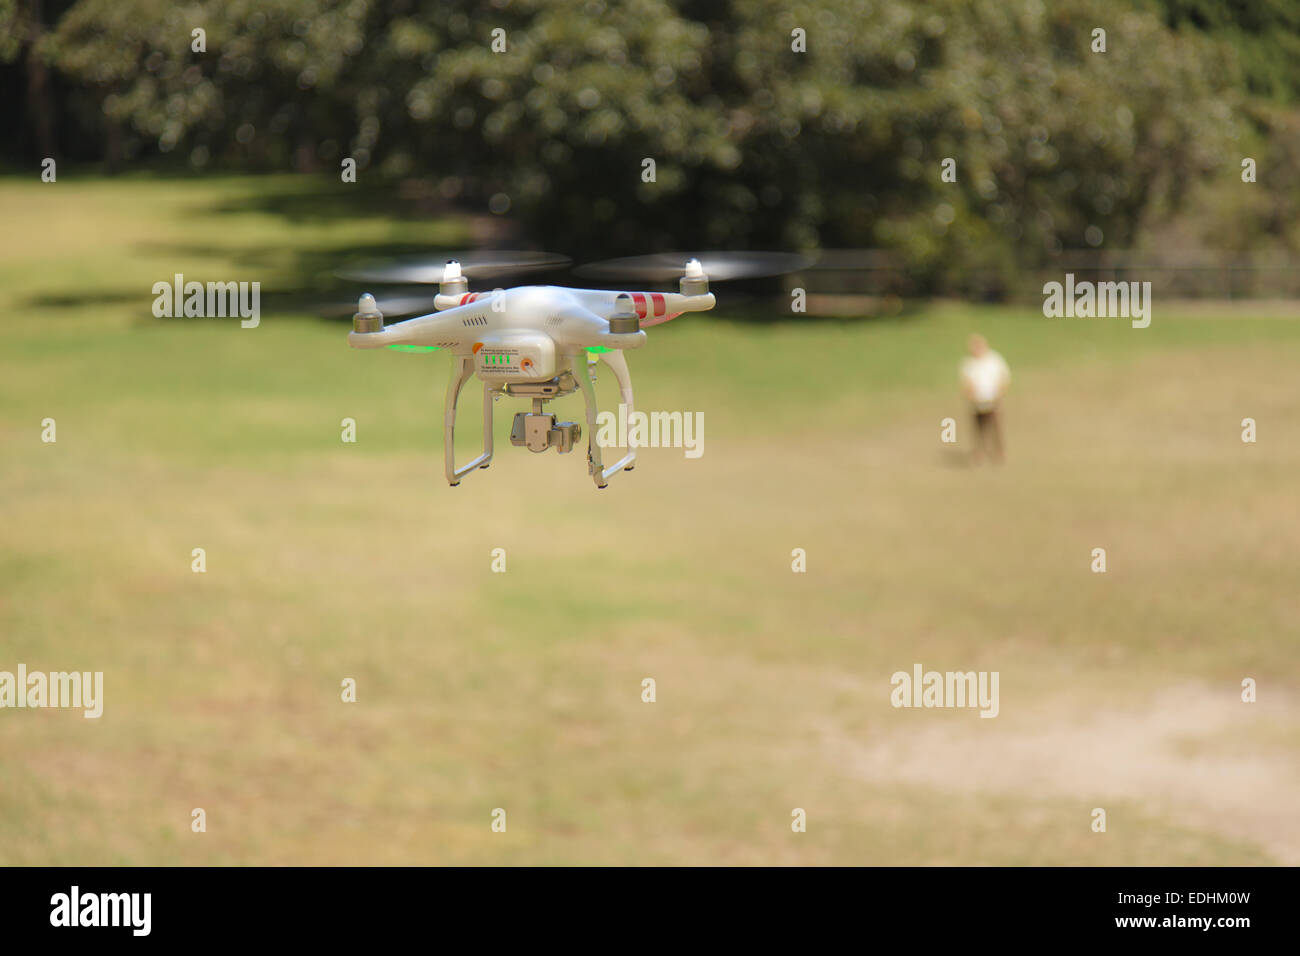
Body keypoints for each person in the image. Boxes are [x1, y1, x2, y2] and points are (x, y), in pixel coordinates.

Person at [959, 334, 1010, 464]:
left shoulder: (994, 360)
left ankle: (1000, 453)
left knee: (996, 428)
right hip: (976, 403)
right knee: (979, 429)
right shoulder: (969, 363)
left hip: (993, 400)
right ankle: (979, 453)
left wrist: (999, 394)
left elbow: (1003, 378)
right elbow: (966, 383)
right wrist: (971, 395)